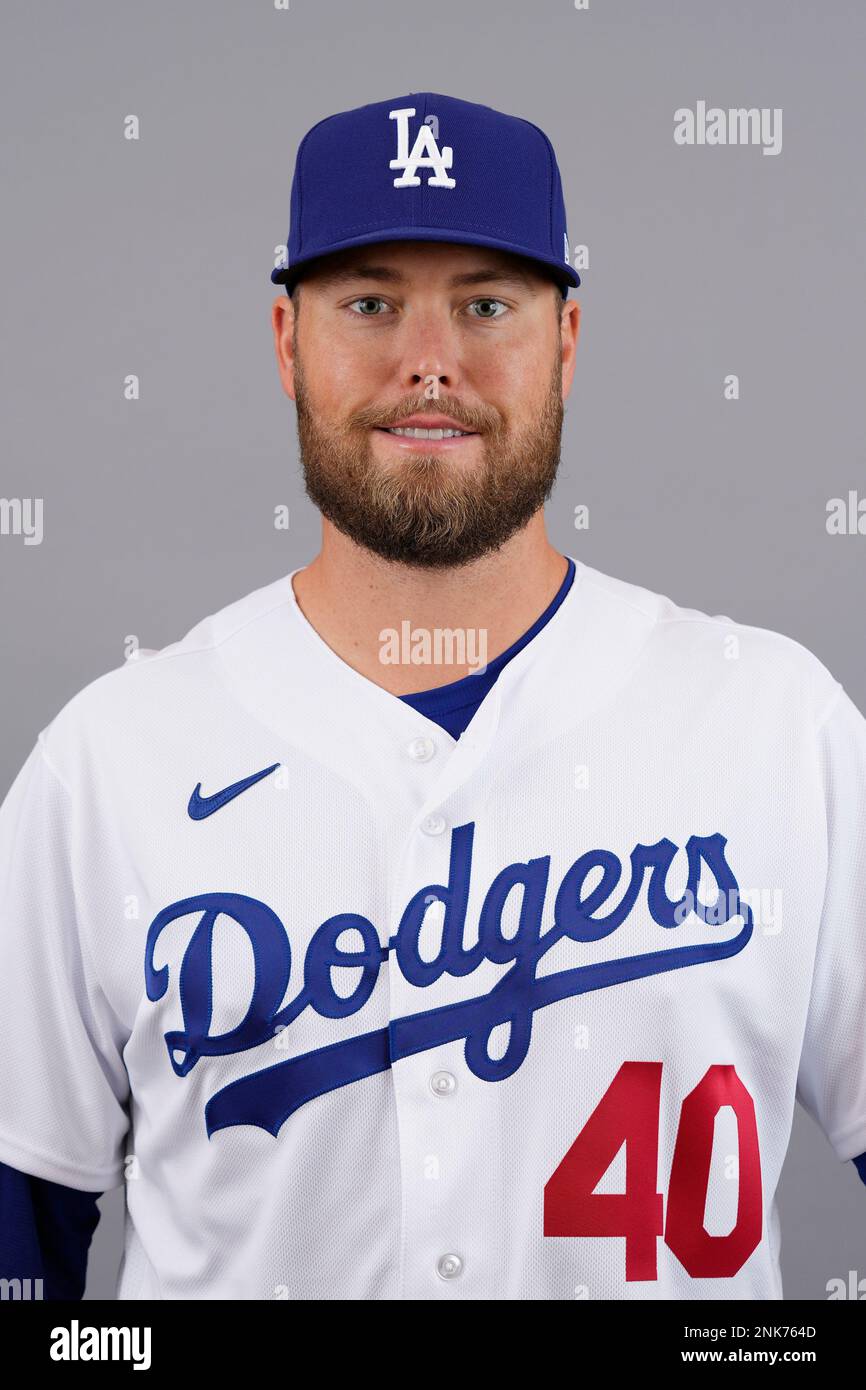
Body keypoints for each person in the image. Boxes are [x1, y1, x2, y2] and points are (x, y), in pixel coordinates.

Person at [0, 92, 863, 1302]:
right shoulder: (106, 764)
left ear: (565, 340)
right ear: (285, 341)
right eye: (368, 301)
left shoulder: (780, 728)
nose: (428, 360)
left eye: (484, 303)